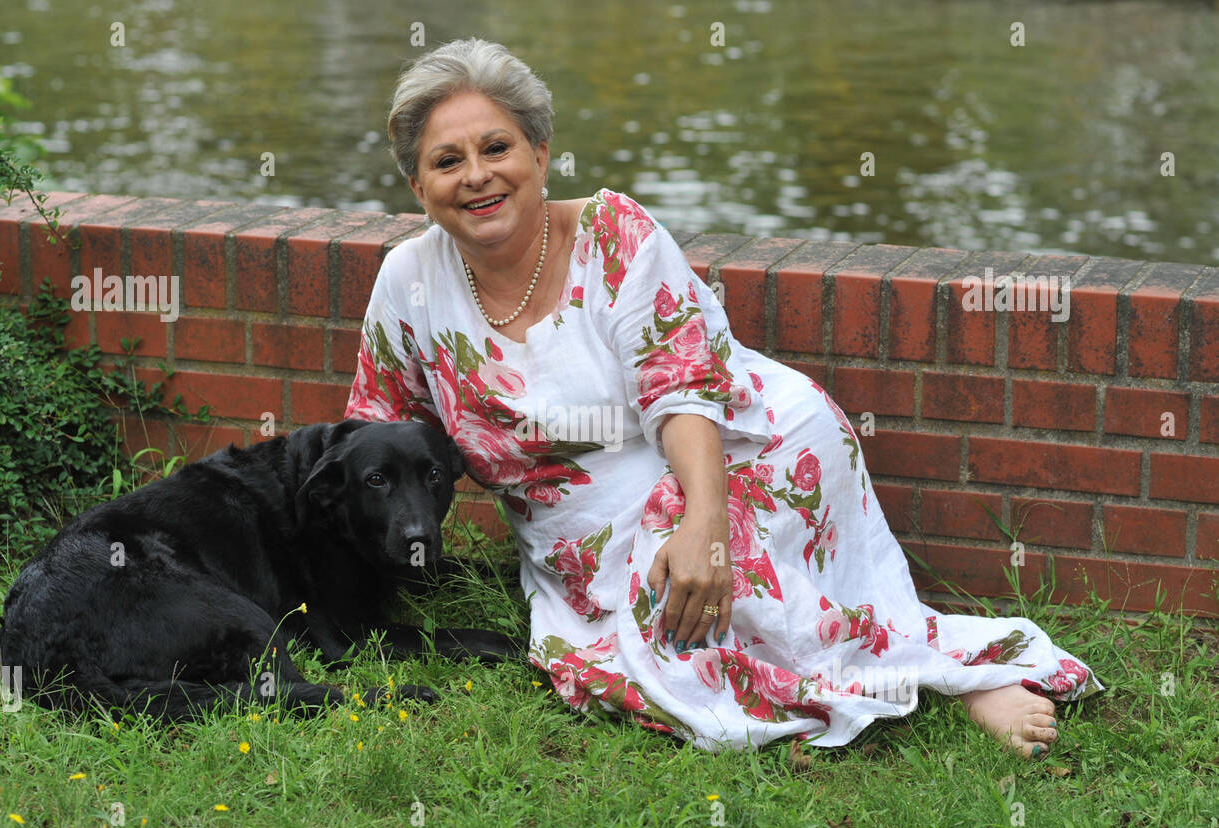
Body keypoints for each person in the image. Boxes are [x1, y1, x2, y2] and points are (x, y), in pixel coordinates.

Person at [344, 37, 1101, 755]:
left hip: (738, 439)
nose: (477, 175)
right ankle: (887, 672)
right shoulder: (410, 283)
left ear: (540, 155)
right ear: (418, 185)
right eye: (448, 161)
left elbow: (681, 391)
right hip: (584, 533)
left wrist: (705, 522)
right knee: (669, 646)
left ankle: (960, 679)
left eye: (497, 148)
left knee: (706, 552)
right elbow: (372, 429)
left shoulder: (614, 233)